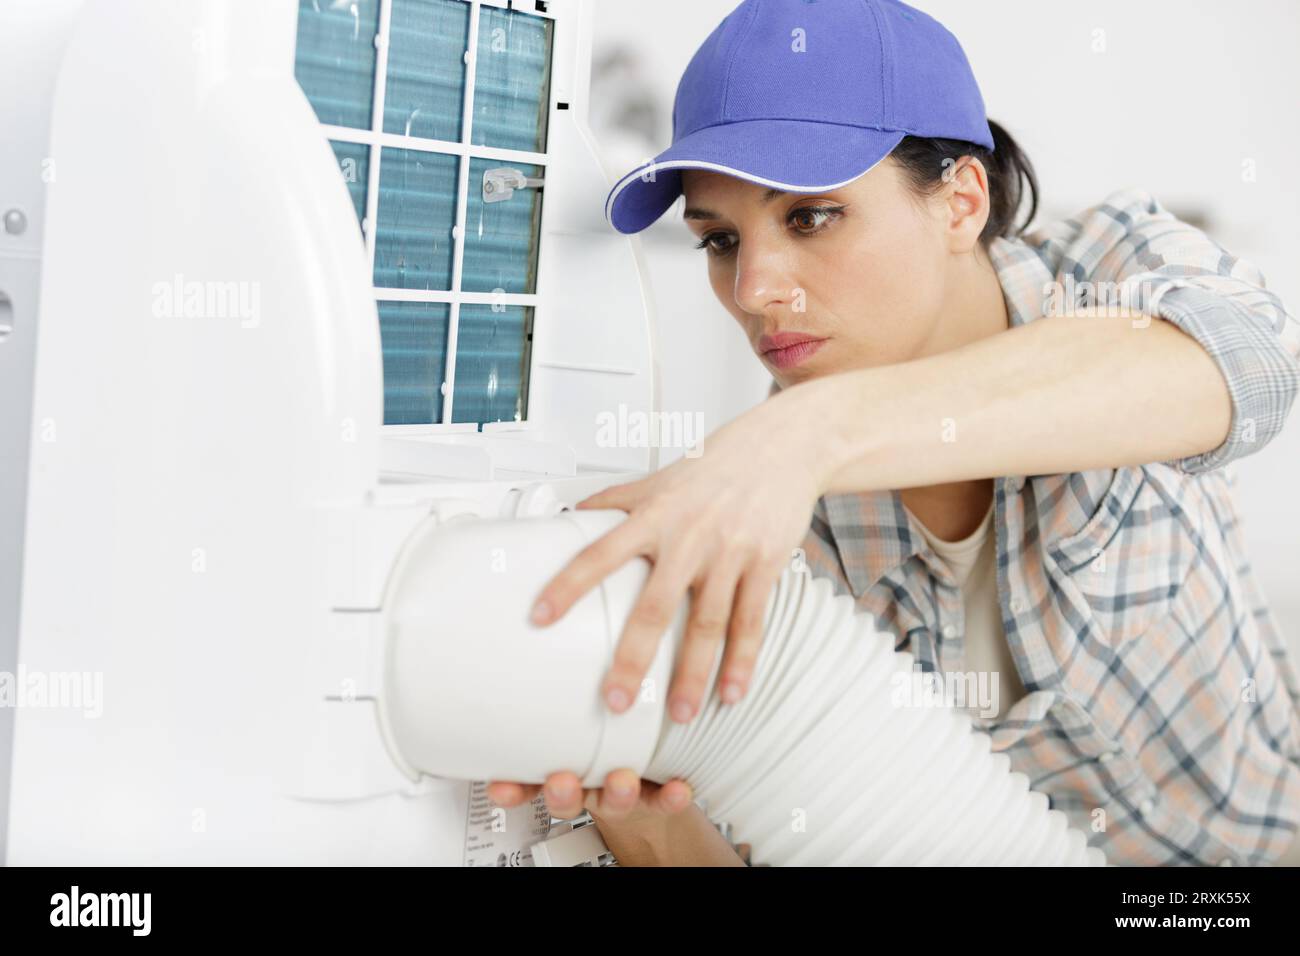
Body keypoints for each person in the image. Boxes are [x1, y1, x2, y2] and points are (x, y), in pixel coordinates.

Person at [489, 0, 1300, 866]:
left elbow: (1249, 369)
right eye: (719, 240)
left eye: (810, 217)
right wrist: (654, 827)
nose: (755, 288)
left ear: (959, 201)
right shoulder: (780, 535)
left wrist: (808, 434)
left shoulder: (1109, 266)